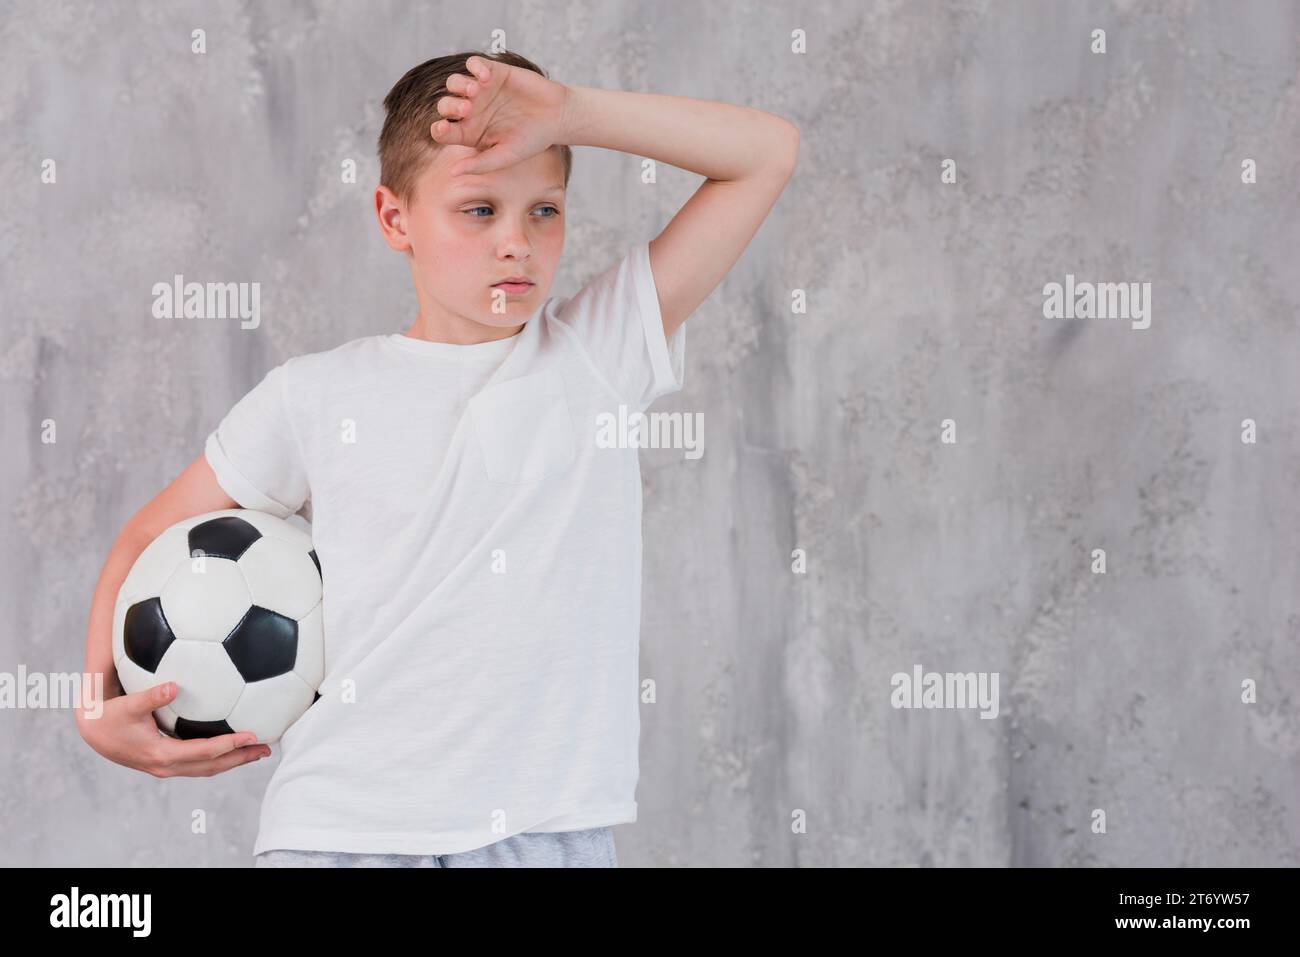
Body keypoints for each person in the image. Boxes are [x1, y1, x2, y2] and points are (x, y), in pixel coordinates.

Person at [77, 49, 799, 867]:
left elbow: (765, 155)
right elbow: (144, 538)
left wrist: (574, 114)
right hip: (339, 834)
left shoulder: (596, 357)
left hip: (540, 831)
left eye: (545, 211)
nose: (517, 245)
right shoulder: (313, 395)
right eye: (480, 209)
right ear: (395, 219)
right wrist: (96, 706)